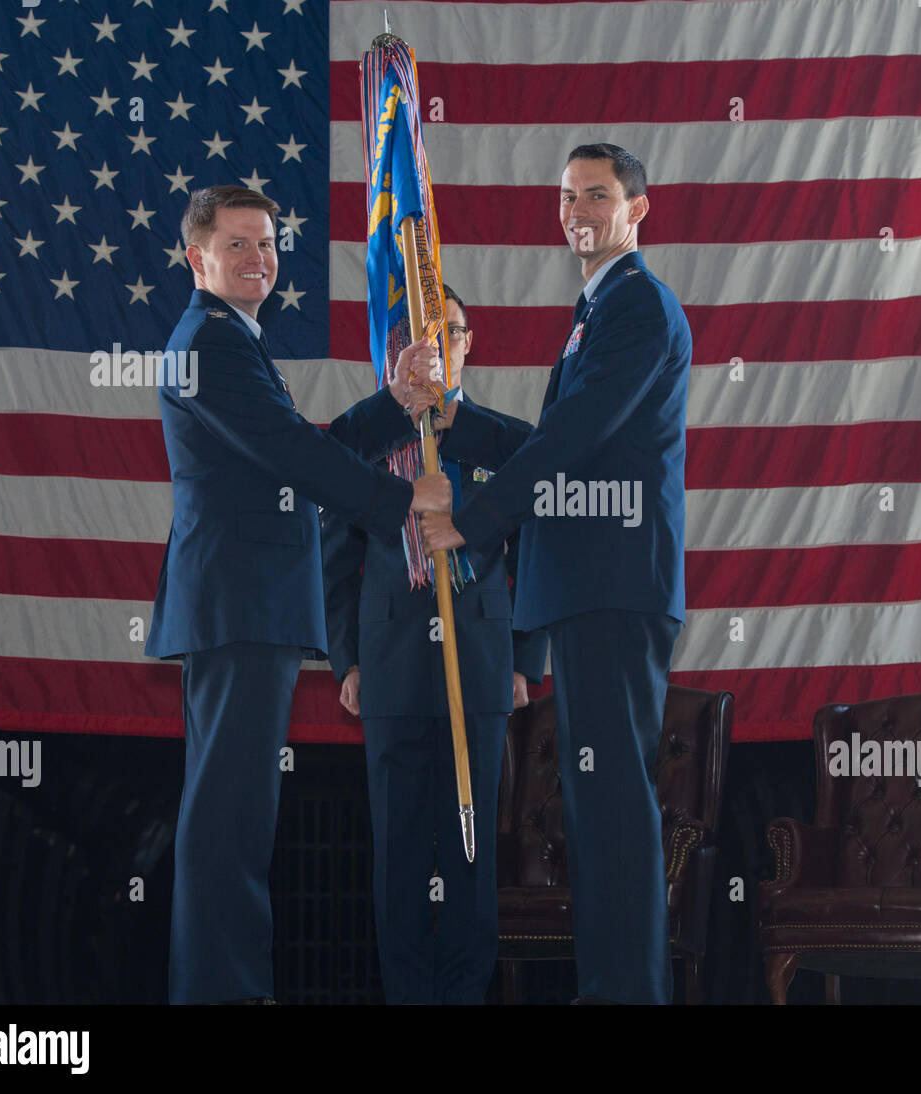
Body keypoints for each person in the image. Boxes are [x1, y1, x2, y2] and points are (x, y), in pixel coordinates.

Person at [144, 185, 450, 1005]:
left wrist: (393, 405)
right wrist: (400, 504)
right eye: (237, 244)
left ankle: (224, 988)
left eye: (267, 242)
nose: (258, 258)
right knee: (229, 821)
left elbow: (295, 453)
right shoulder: (210, 343)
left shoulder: (231, 341)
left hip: (247, 602)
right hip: (240, 602)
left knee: (235, 816)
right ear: (195, 258)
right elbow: (291, 454)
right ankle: (224, 993)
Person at [412, 144, 692, 1004]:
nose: (577, 209)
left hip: (611, 582)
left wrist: (473, 523)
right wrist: (455, 422)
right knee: (594, 803)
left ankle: (625, 993)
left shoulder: (638, 305)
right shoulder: (596, 310)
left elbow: (573, 440)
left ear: (638, 209)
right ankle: (611, 987)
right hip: (584, 587)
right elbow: (558, 439)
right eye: (567, 194)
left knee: (610, 807)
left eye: (597, 195)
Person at [321, 285, 548, 1004]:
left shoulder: (507, 438)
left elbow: (536, 553)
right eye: (418, 334)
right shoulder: (367, 439)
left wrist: (523, 659)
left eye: (446, 331)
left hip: (479, 668)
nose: (434, 345)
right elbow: (333, 557)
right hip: (388, 667)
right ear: (397, 350)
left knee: (469, 855)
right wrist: (345, 658)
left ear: (468, 340)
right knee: (399, 855)